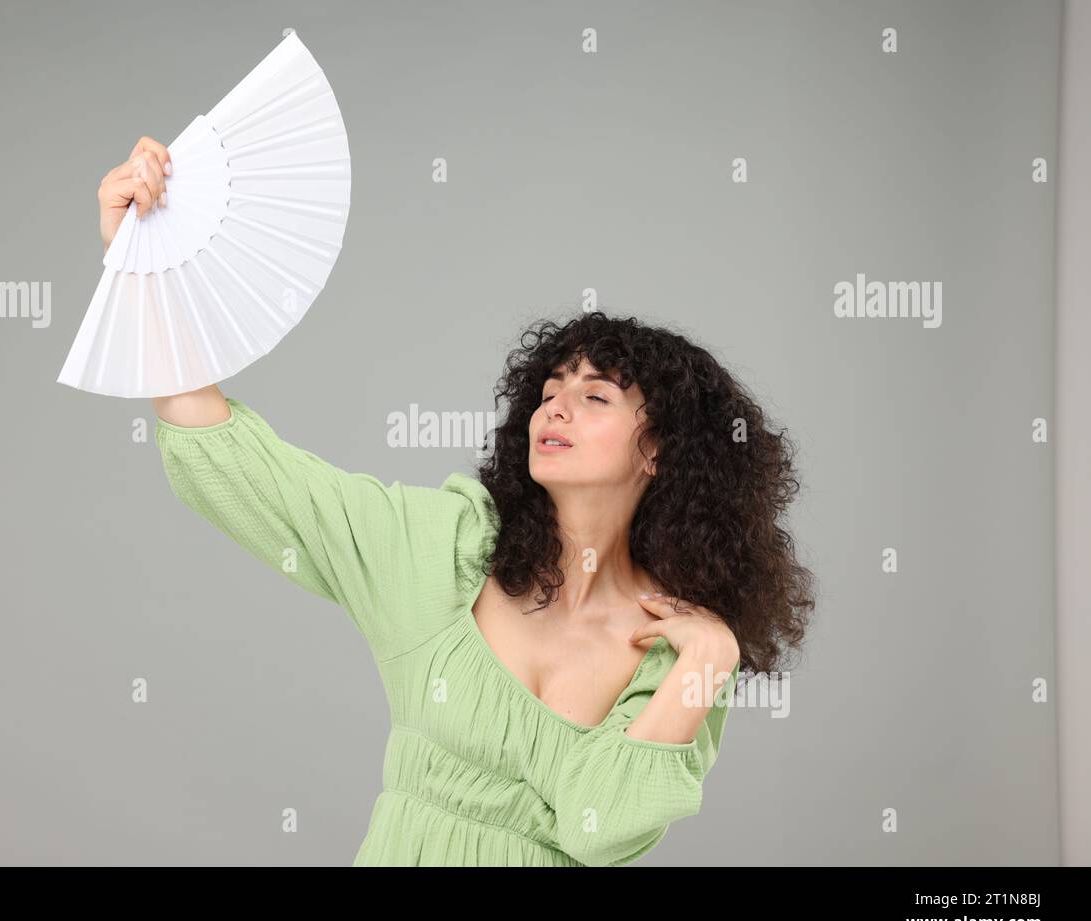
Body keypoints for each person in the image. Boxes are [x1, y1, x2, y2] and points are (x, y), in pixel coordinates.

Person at [99, 136, 816, 866]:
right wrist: (145, 259)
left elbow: (599, 827)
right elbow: (250, 470)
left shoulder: (682, 648)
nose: (555, 410)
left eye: (594, 395)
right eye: (548, 393)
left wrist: (717, 652)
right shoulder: (446, 551)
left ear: (659, 450)